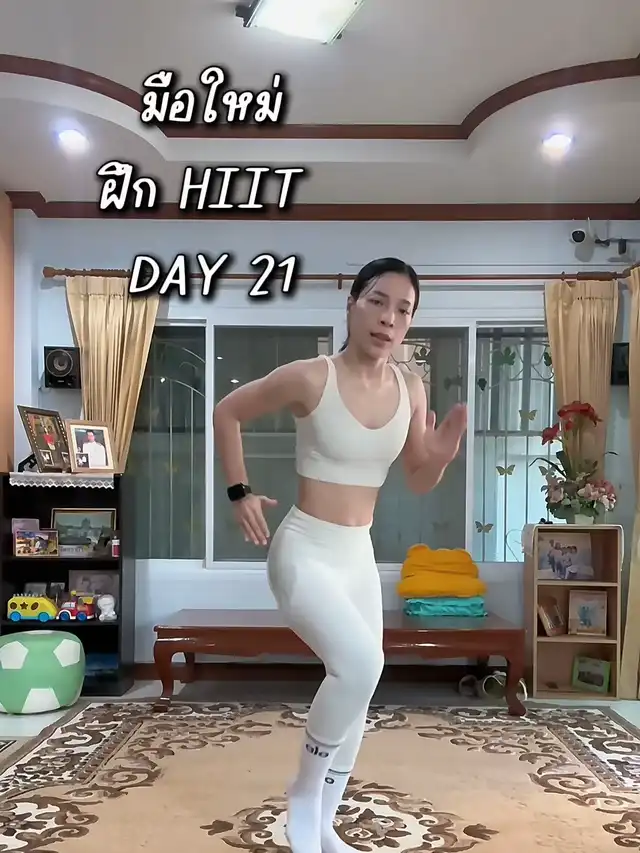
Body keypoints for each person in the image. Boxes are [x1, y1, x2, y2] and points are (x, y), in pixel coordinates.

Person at [213, 257, 467, 853]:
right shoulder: (311, 377)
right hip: (304, 549)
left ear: (410, 322)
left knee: (358, 684)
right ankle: (303, 796)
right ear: (352, 304)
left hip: (357, 555)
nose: (388, 318)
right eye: (377, 301)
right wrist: (239, 491)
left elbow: (416, 478)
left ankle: (324, 825)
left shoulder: (411, 387)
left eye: (403, 310)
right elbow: (229, 411)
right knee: (360, 665)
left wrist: (438, 459)